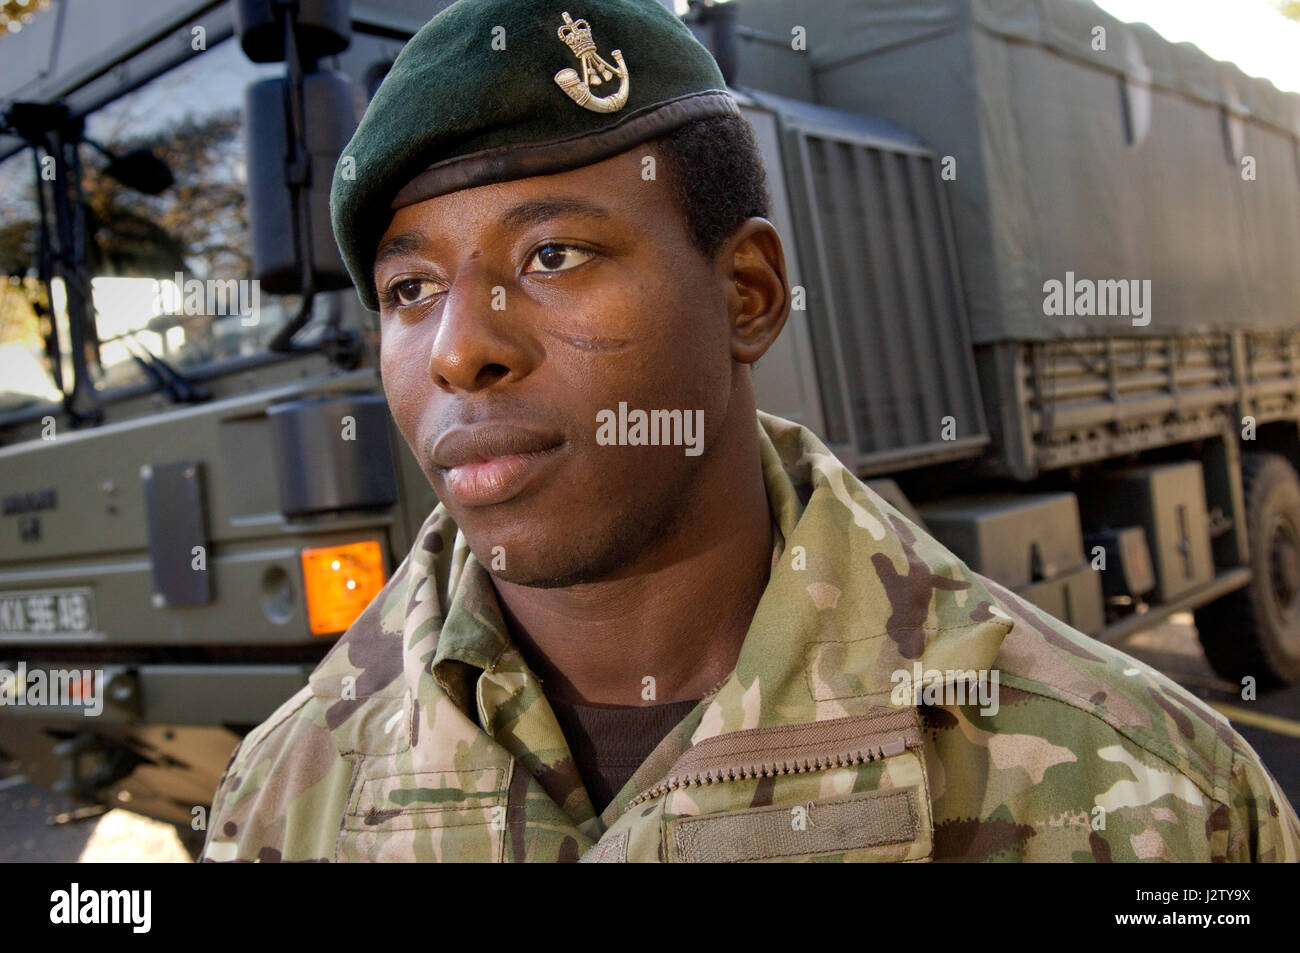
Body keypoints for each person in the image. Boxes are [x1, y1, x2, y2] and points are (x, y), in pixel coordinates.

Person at [201, 0, 1300, 862]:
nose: (458, 348)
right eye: (408, 287)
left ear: (748, 295)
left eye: (552, 256)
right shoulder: (282, 794)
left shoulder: (1154, 795)